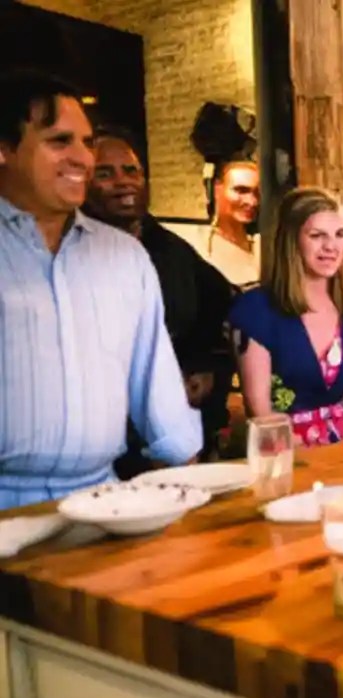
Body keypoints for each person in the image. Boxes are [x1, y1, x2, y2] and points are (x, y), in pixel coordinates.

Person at [0, 70, 200, 508]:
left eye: (86, 142)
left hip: (102, 502)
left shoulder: (124, 256)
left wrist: (192, 485)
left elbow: (158, 387)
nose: (82, 159)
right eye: (59, 141)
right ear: (5, 150)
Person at [83, 127, 237, 475]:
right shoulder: (70, 253)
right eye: (105, 173)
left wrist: (207, 369)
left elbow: (223, 309)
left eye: (131, 171)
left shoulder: (172, 251)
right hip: (105, 441)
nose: (123, 182)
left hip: (174, 432)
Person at [227, 187, 343, 447]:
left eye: (340, 235)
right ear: (291, 240)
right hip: (285, 456)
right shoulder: (256, 310)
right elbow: (260, 415)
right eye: (317, 235)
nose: (331, 246)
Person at [206, 160, 260, 286]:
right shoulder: (199, 246)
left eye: (257, 193)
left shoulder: (262, 245)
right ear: (217, 190)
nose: (252, 202)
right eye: (241, 190)